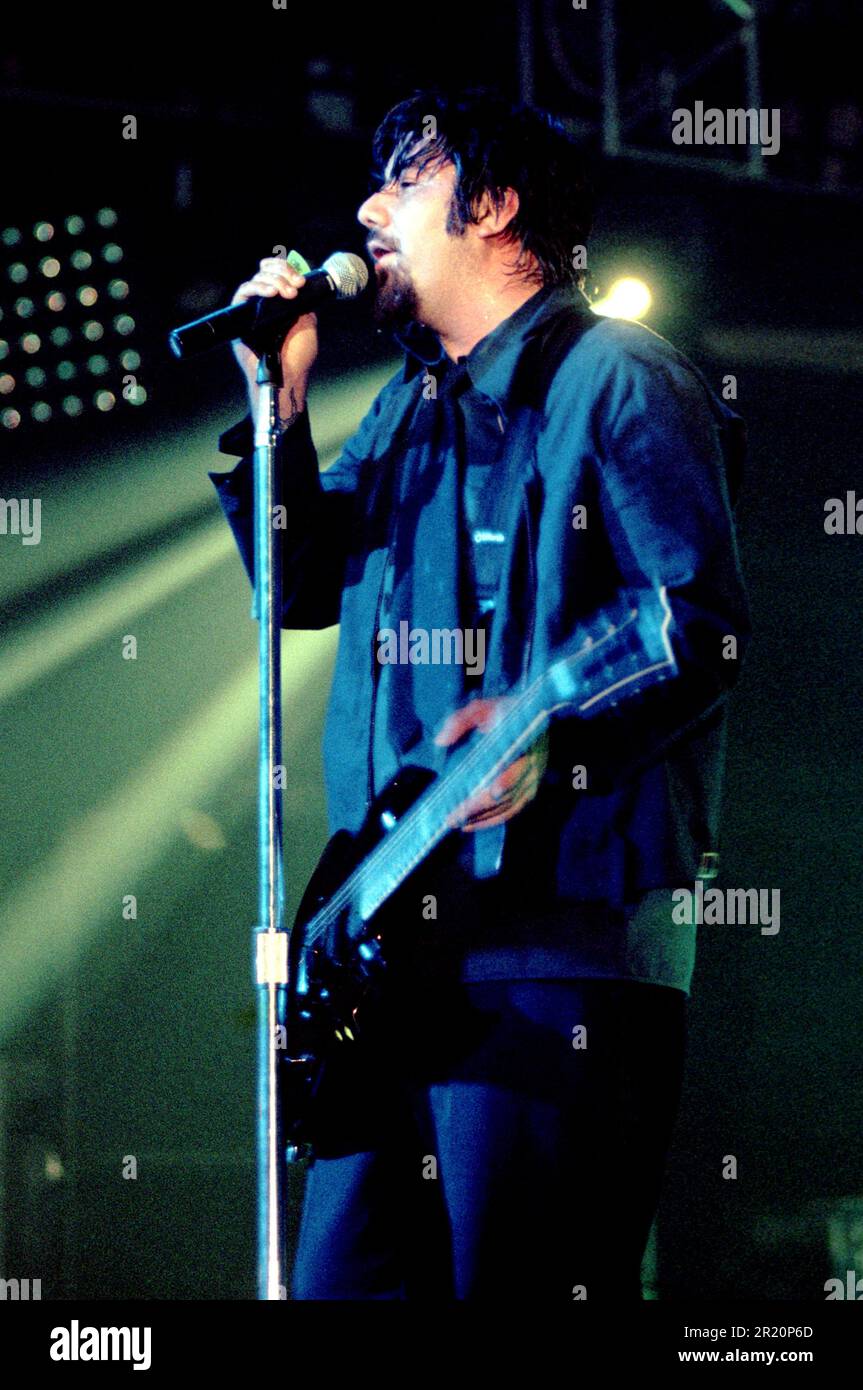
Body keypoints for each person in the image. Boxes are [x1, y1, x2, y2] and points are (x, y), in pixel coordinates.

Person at [208, 88, 751, 1301]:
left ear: (494, 206)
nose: (368, 207)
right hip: (389, 959)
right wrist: (277, 407)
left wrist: (552, 739)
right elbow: (297, 583)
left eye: (404, 177)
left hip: (555, 952)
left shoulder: (617, 376)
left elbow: (698, 625)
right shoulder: (405, 410)